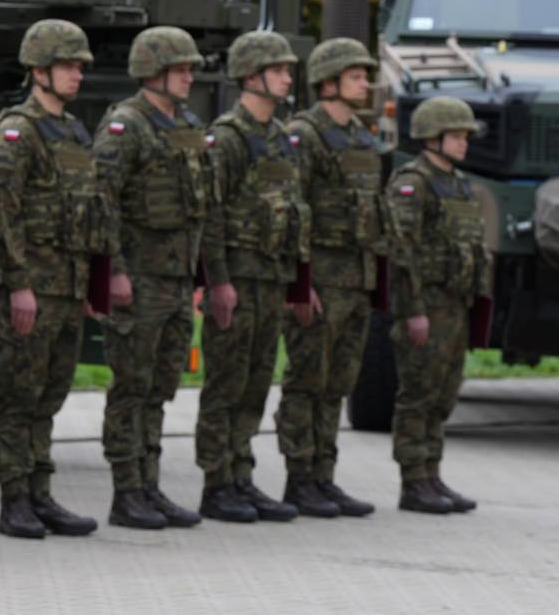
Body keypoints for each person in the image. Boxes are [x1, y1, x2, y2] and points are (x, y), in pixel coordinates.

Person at [0, 18, 112, 540]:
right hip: (29, 290)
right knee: (19, 397)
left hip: (67, 289)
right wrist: (19, 284)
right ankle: (14, 498)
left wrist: (90, 286)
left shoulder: (74, 131)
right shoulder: (18, 131)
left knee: (50, 396)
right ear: (39, 71)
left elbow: (89, 212)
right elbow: (3, 213)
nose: (77, 74)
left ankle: (40, 492)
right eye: (67, 66)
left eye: (80, 66)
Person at [93, 26, 207, 530]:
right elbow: (103, 202)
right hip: (138, 280)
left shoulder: (187, 125)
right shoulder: (127, 126)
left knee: (160, 387)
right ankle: (126, 492)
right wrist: (115, 271)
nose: (189, 77)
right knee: (131, 388)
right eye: (180, 68)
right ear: (153, 71)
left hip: (176, 281)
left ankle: (149, 483)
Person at [196, 30, 310, 524]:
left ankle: (241, 474)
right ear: (251, 75)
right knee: (225, 382)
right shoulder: (227, 138)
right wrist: (218, 281)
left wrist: (295, 283)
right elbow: (212, 215)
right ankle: (217, 481)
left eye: (288, 70)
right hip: (237, 281)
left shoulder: (280, 137)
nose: (287, 78)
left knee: (257, 383)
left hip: (271, 279)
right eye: (279, 69)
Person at [276, 38, 381, 518]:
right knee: (306, 380)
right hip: (319, 280)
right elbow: (292, 211)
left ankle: (324, 475)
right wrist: (300, 284)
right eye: (356, 76)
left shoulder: (361, 136)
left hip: (355, 280)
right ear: (328, 82)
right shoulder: (304, 135)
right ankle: (299, 478)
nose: (366, 84)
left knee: (337, 382)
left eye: (366, 76)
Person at [387, 95, 486, 515]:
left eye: (465, 136)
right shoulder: (413, 183)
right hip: (426, 303)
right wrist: (413, 311)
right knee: (419, 392)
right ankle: (413, 480)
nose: (465, 143)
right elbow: (401, 252)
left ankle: (431, 472)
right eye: (457, 135)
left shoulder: (459, 184)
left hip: (455, 304)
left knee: (443, 393)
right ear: (433, 137)